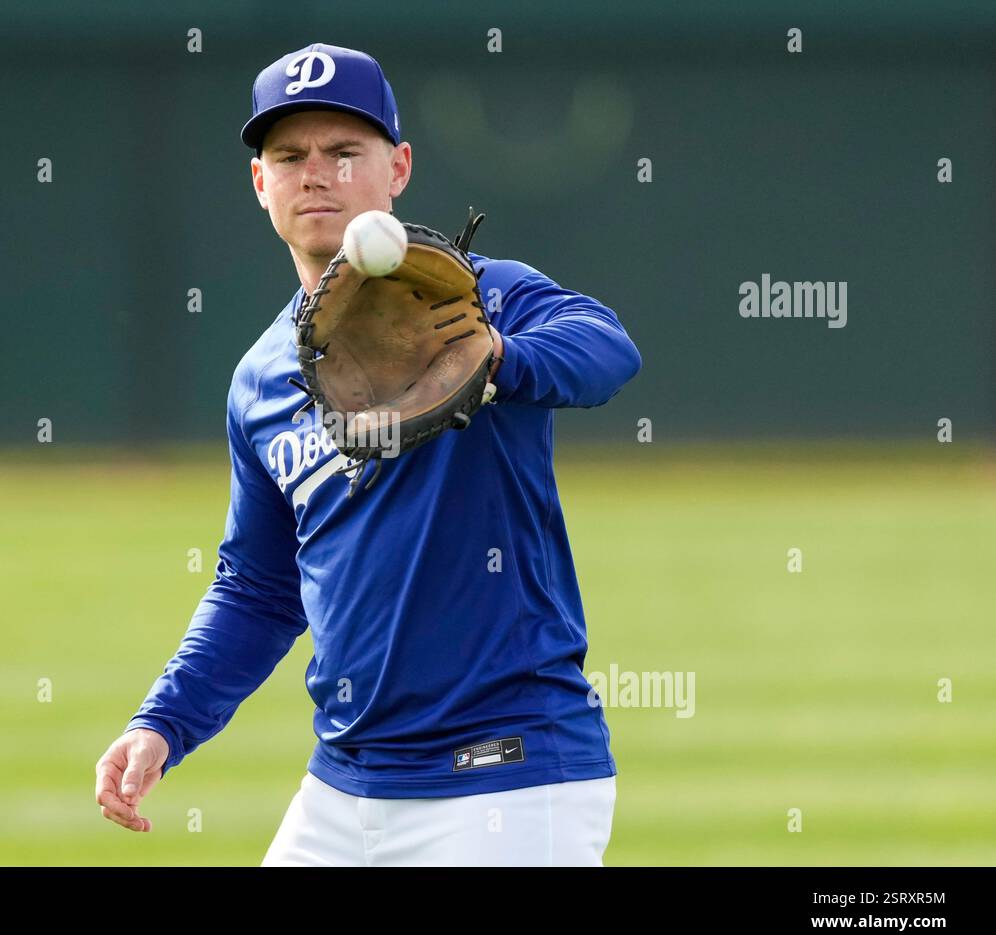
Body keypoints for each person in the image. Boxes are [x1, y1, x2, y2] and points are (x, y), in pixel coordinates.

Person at [95, 42, 642, 866]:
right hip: (345, 785)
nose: (316, 173)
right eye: (290, 156)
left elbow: (607, 349)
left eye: (345, 152)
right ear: (261, 184)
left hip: (509, 779)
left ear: (399, 169)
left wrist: (498, 357)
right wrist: (162, 722)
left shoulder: (480, 294)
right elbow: (259, 585)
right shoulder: (261, 379)